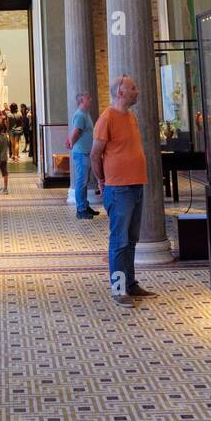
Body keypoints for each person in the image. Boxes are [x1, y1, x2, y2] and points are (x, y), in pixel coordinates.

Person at [90, 75, 155, 304]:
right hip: (118, 189)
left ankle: (131, 284)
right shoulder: (107, 118)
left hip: (136, 185)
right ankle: (119, 289)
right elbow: (95, 154)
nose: (137, 91)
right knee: (119, 240)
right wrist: (101, 180)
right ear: (120, 92)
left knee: (132, 238)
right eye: (133, 88)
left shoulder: (131, 117)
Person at [68, 91, 99, 220]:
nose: (90, 100)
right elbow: (76, 132)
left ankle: (85, 206)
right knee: (81, 182)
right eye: (88, 98)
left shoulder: (85, 114)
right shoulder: (80, 115)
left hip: (86, 153)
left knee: (84, 182)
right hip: (81, 153)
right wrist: (71, 143)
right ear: (82, 101)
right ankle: (81, 209)